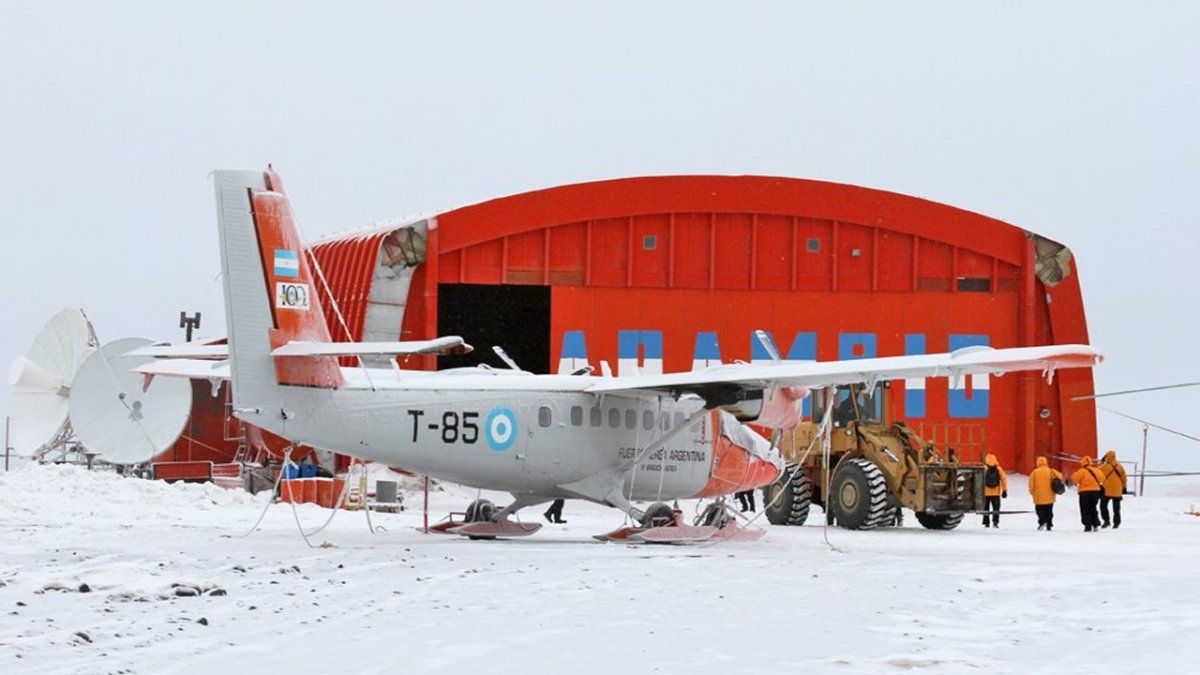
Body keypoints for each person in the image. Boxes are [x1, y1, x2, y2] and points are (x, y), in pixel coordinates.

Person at [1069, 456, 1105, 532]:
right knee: (1093, 508)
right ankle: (1095, 524)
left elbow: (1074, 479)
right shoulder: (1097, 470)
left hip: (1085, 493)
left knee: (1085, 509)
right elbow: (1103, 478)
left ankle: (1087, 526)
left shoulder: (1081, 471)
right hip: (1096, 492)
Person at [1028, 456, 1064, 531]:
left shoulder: (1034, 472)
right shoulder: (1051, 471)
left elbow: (1031, 484)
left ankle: (1042, 522)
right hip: (1050, 495)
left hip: (1038, 496)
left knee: (1040, 510)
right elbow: (1060, 476)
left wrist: (1032, 492)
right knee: (1049, 510)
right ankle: (1049, 523)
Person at [1099, 450, 1128, 529]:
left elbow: (1097, 471)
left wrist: (1101, 462)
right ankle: (1116, 523)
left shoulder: (1105, 467)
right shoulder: (1120, 466)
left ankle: (1106, 521)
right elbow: (1124, 478)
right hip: (1117, 491)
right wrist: (1124, 487)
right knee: (1116, 508)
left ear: (1107, 457)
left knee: (1103, 506)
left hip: (1107, 490)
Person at [981, 453, 1008, 528]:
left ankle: (986, 523)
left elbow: (980, 480)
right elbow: (1003, 479)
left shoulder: (984, 468)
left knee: (986, 508)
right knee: (996, 508)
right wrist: (1004, 490)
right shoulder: (999, 469)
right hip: (996, 493)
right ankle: (995, 522)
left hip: (986, 493)